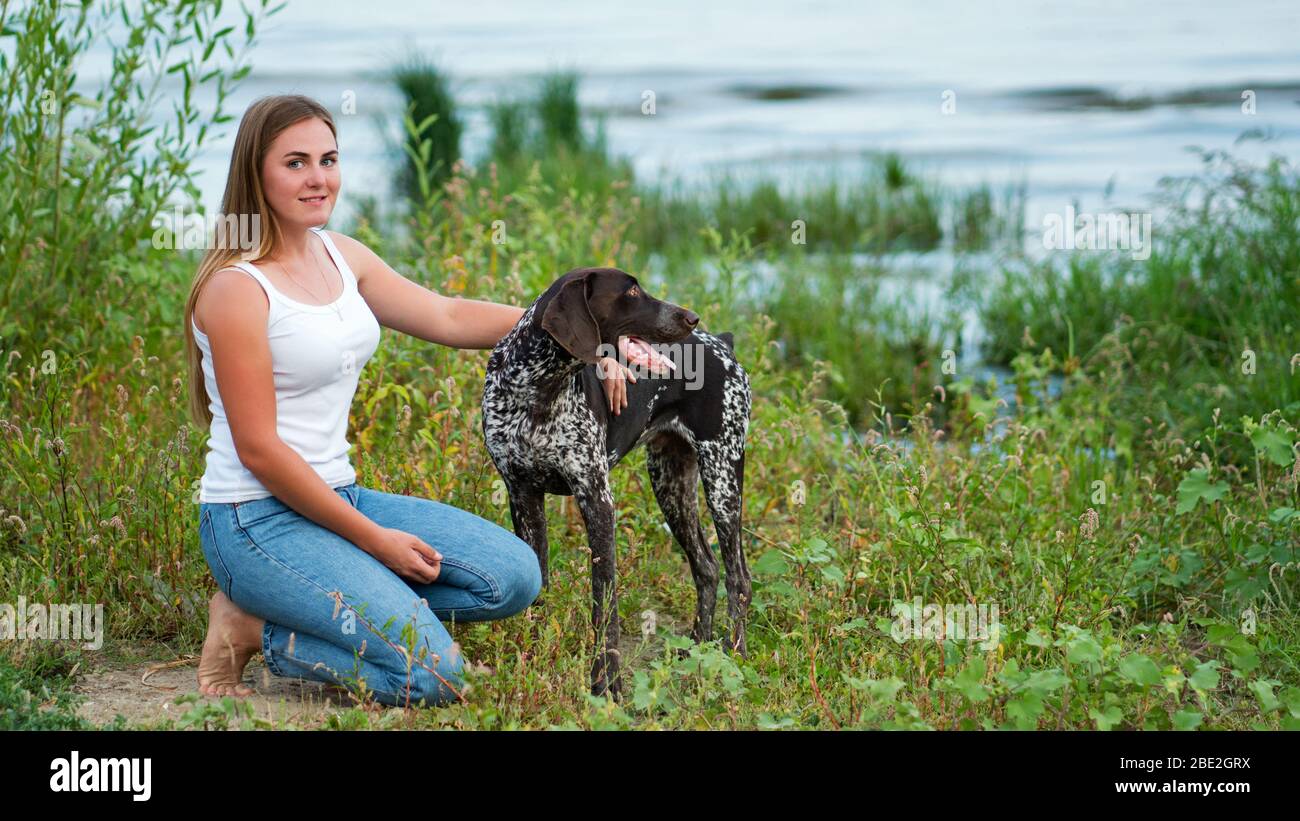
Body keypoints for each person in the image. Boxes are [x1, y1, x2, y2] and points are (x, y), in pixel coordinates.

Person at [183, 94, 634, 707]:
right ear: (254, 173)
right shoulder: (238, 289)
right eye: (295, 163)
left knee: (514, 577)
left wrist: (592, 339)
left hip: (337, 497)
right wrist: (375, 540)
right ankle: (252, 627)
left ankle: (357, 608)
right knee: (436, 678)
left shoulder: (340, 255)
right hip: (255, 522)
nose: (319, 178)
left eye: (329, 158)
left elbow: (447, 316)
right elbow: (259, 451)